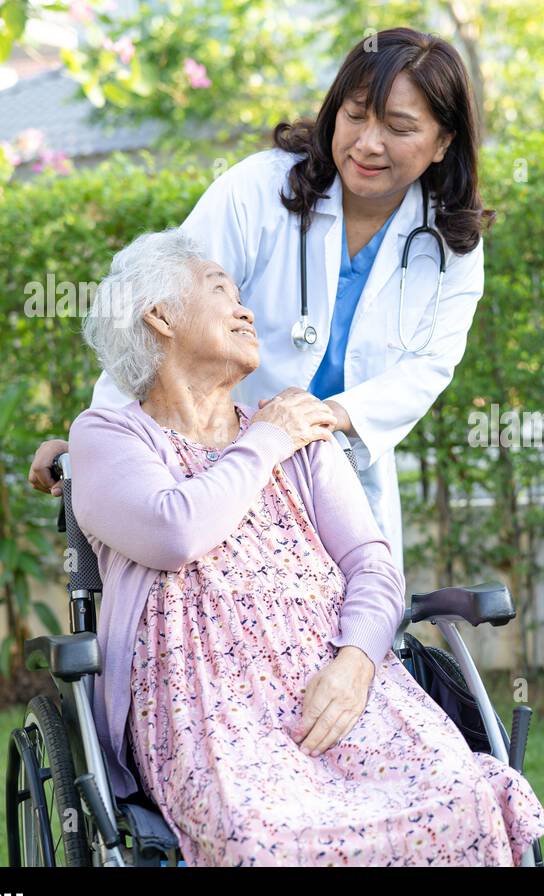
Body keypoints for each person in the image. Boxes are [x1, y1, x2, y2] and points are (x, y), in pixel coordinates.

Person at [70, 228, 544, 865]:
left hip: (346, 687)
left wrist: (356, 662)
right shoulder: (110, 435)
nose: (245, 309)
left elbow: (372, 567)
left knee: (462, 797)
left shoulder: (300, 430)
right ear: (159, 316)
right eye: (221, 291)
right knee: (265, 836)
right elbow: (174, 531)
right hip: (212, 714)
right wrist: (267, 438)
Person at [31, 27, 493, 579]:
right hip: (216, 465)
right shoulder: (258, 190)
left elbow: (429, 366)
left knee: (358, 619)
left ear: (443, 142)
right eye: (354, 115)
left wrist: (323, 418)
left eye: (399, 128)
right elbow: (161, 313)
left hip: (337, 475)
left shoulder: (450, 241)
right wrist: (100, 439)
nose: (368, 143)